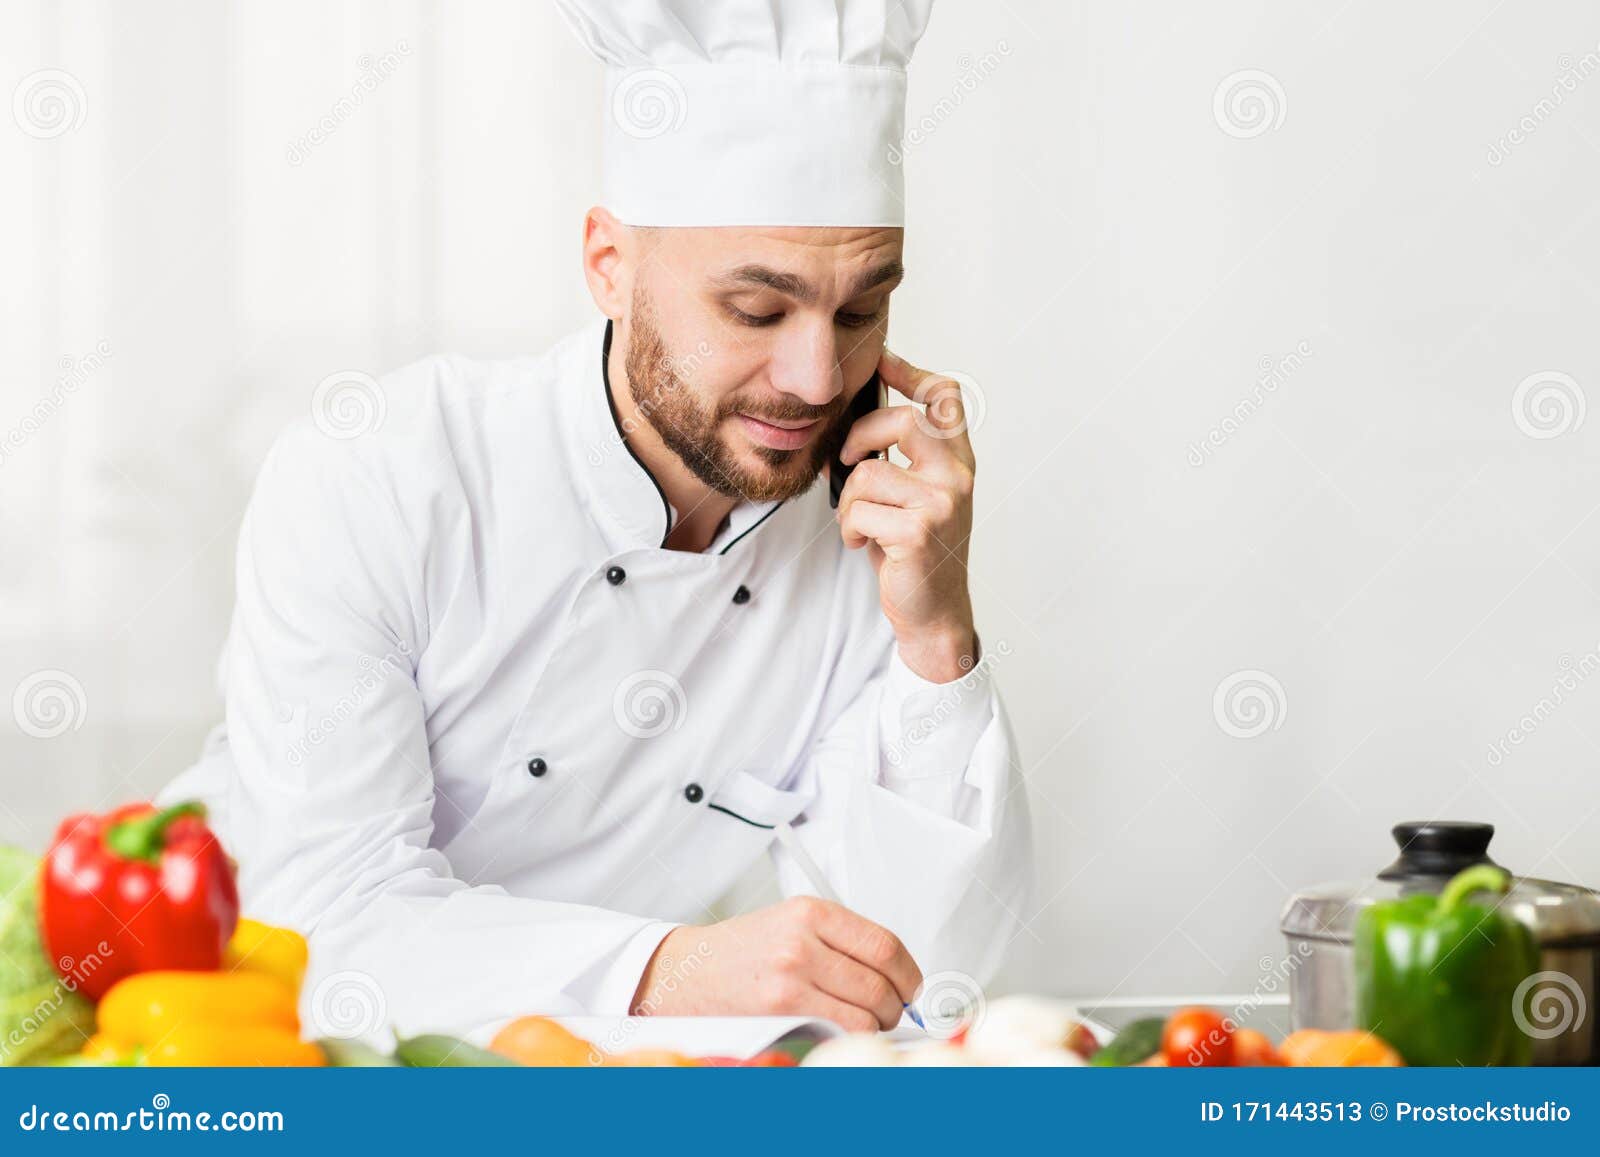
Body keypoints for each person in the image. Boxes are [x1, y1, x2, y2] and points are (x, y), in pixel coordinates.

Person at [165, 0, 1031, 1037]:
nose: (815, 378)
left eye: (859, 311)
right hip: (226, 1044)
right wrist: (670, 967)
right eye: (755, 311)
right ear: (609, 266)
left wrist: (936, 640)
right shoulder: (378, 478)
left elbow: (923, 982)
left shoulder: (867, 538)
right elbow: (324, 926)